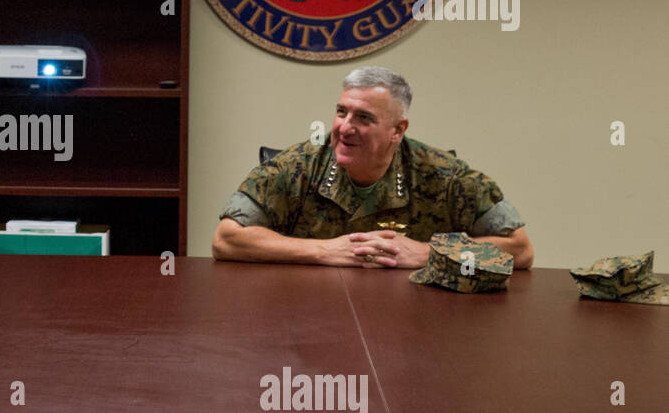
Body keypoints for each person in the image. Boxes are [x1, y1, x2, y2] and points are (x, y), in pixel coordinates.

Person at [212, 66, 534, 269]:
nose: (345, 127)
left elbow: (520, 250)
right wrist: (324, 251)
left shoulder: (445, 176)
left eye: (363, 118)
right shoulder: (295, 167)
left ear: (398, 130)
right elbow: (226, 239)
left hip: (416, 324)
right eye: (341, 112)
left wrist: (428, 253)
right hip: (307, 320)